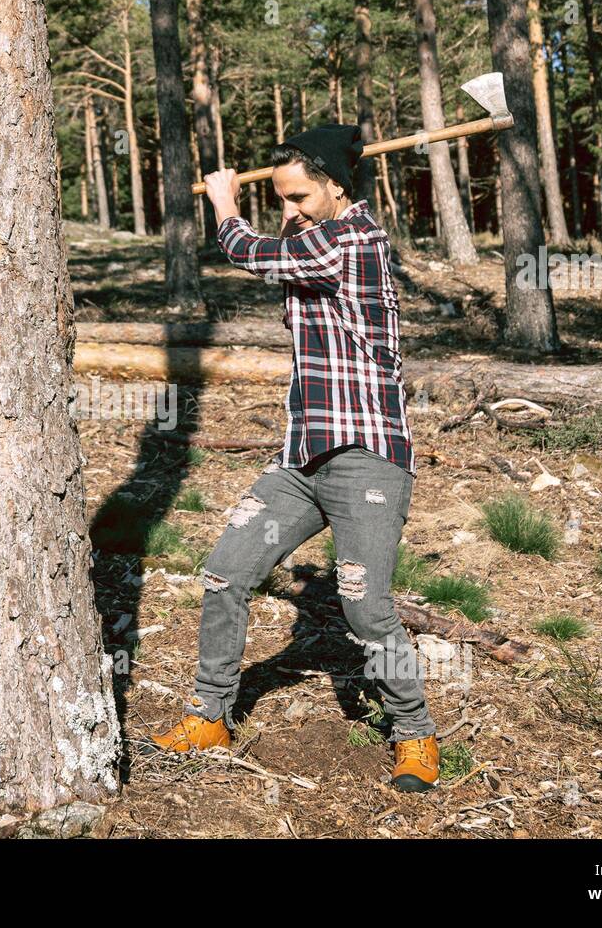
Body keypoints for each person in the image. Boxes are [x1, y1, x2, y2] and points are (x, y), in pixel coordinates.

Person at [147, 124, 439, 792]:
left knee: (365, 608)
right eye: (281, 198)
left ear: (337, 186)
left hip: (367, 458)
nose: (290, 209)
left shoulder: (355, 240)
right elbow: (282, 257)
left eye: (300, 196)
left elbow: (248, 251)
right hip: (303, 459)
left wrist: (225, 203)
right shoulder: (316, 240)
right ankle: (210, 717)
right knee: (225, 572)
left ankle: (415, 734)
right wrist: (283, 215)